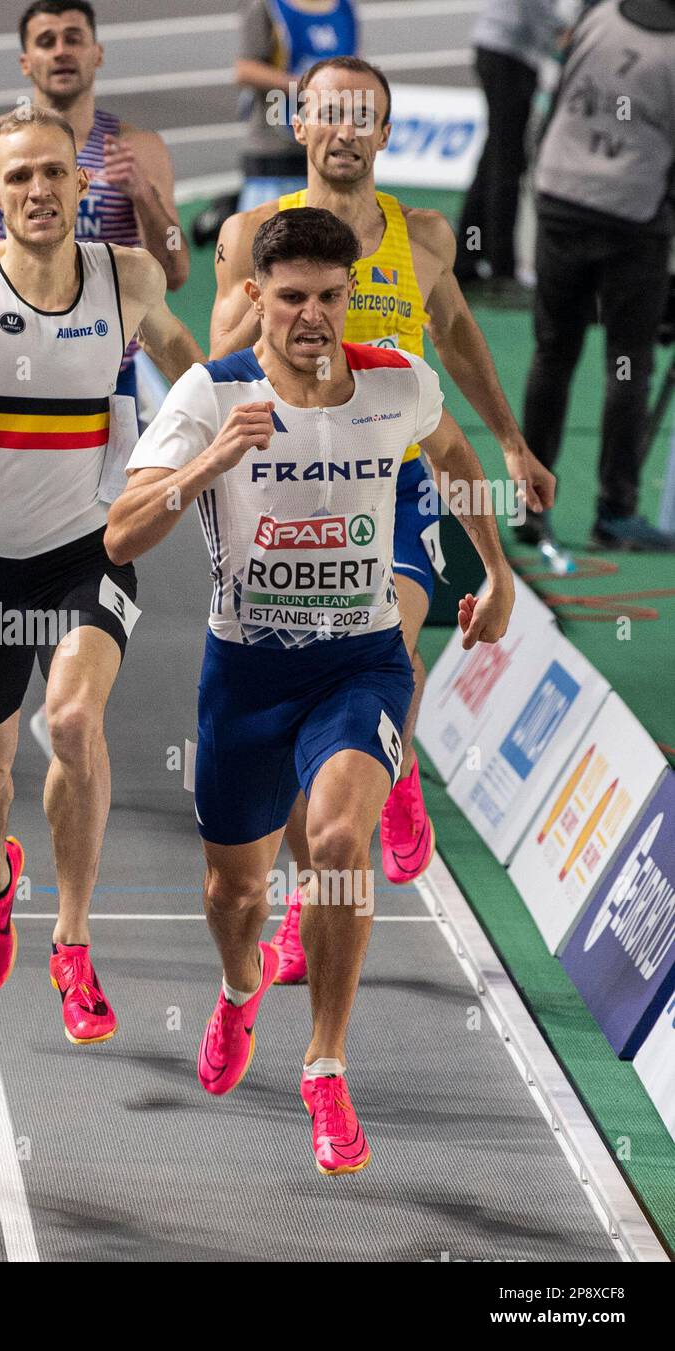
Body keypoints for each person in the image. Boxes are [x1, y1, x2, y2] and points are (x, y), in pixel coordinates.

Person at [106, 207, 515, 1173]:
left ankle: (326, 1064)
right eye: (292, 297)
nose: (314, 316)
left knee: (336, 840)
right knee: (234, 893)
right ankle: (243, 988)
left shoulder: (394, 383)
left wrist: (492, 570)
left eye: (331, 297)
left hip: (360, 658)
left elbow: (452, 455)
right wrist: (211, 461)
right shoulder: (212, 393)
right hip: (246, 674)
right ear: (255, 296)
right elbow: (121, 534)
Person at [210, 56, 554, 974]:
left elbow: (456, 333)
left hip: (392, 488)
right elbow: (217, 368)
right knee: (296, 721)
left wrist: (512, 441)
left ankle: (388, 775)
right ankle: (303, 894)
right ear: (302, 124)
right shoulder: (252, 235)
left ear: (387, 132)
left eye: (366, 116)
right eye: (331, 114)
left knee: (383, 647)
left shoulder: (426, 236)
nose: (347, 131)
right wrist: (285, 310)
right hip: (286, 499)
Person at [0, 106, 202, 1044]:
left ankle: (71, 938)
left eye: (53, 175)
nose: (37, 190)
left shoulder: (128, 277)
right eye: (18, 176)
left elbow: (194, 367)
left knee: (72, 719)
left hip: (85, 554)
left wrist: (185, 459)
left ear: (78, 186)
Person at [0, 0, 189, 362]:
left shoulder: (139, 149)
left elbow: (174, 273)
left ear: (97, 54)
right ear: (26, 62)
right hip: (9, 353)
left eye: (73, 39)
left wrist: (144, 196)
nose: (61, 51)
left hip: (110, 370)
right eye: (47, 42)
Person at [521, 0, 675, 552]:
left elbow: (559, 92)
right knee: (628, 364)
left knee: (552, 354)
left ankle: (529, 508)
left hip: (561, 192)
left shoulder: (598, 11)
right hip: (632, 215)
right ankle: (614, 512)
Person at [453, 0, 567, 292]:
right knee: (506, 164)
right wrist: (561, 42)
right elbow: (533, 12)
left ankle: (467, 258)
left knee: (494, 161)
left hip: (504, 50)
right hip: (509, 54)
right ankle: (501, 268)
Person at [234, 0, 357, 211]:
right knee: (263, 235)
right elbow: (245, 69)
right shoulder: (266, 6)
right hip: (274, 146)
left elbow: (355, 64)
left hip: (327, 144)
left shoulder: (344, 7)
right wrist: (308, 86)